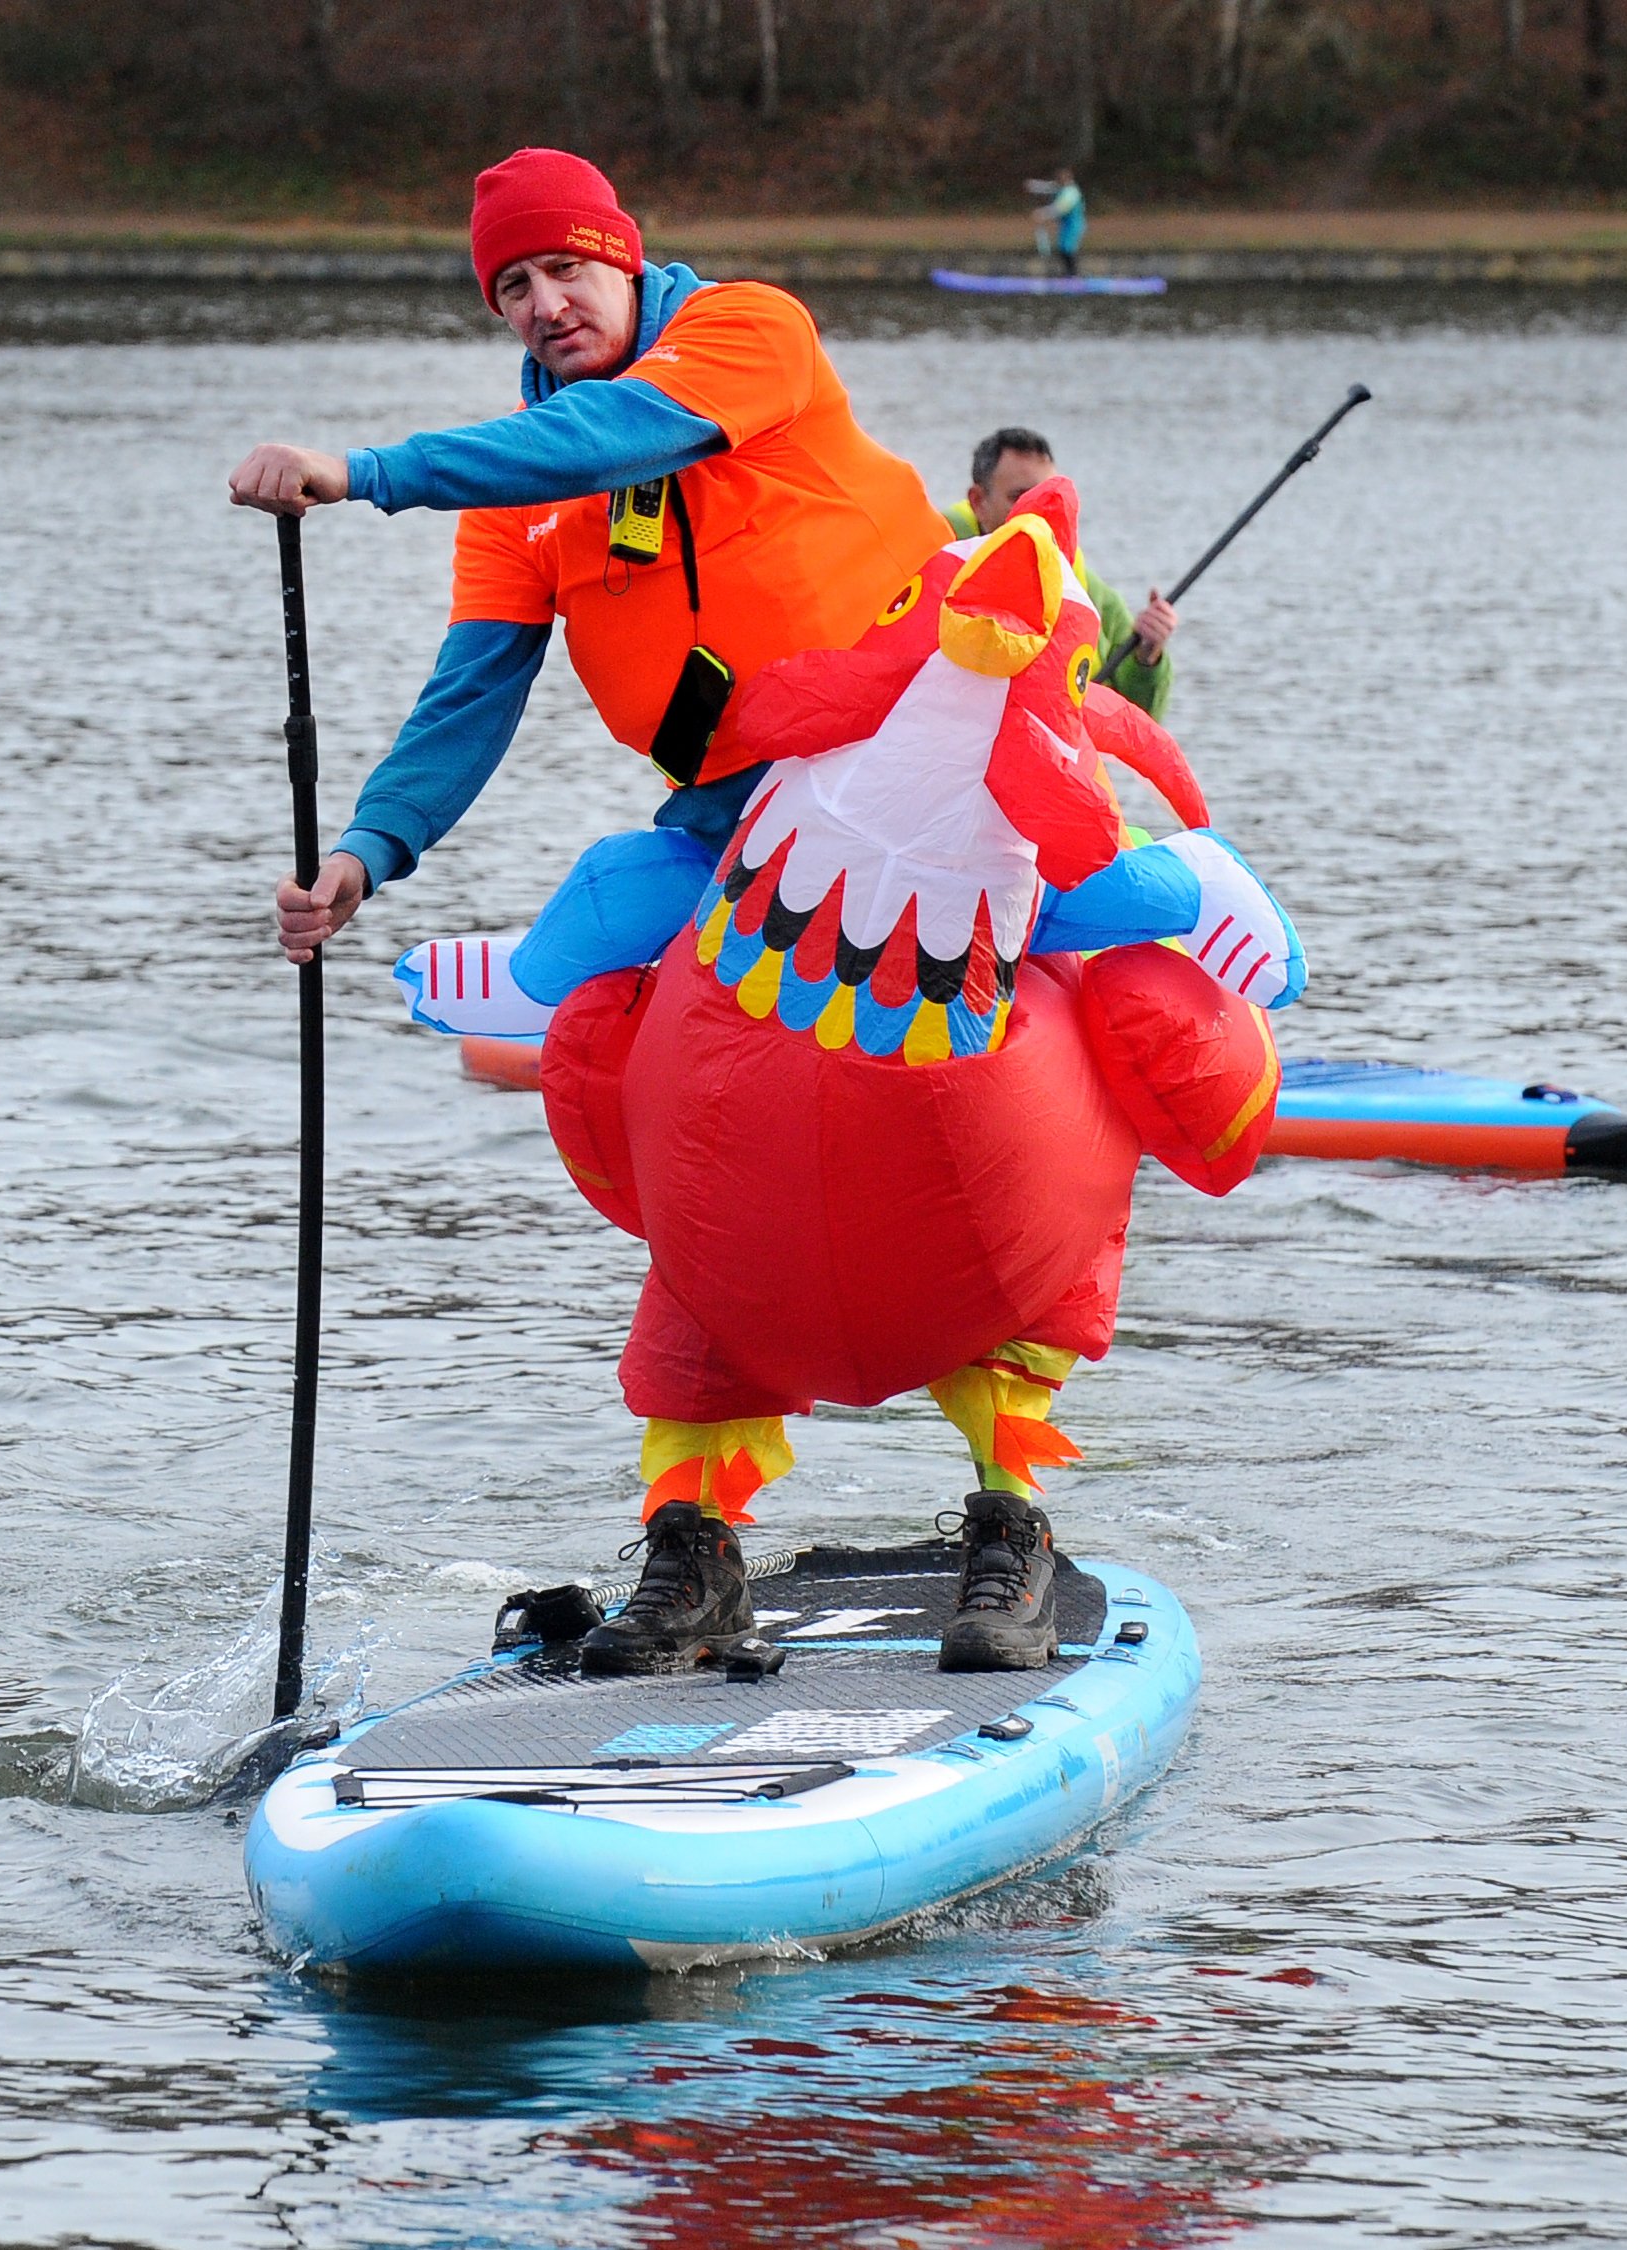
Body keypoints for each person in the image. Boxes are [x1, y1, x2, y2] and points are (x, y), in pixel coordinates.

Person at [223, 149, 1071, 1672]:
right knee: (682, 1125)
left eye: (566, 268)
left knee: (1007, 1086)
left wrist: (364, 473)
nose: (543, 303)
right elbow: (473, 690)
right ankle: (694, 1546)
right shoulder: (520, 494)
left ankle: (1010, 1518)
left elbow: (624, 432)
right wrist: (364, 853)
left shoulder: (749, 332)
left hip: (928, 785)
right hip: (724, 824)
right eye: (511, 286)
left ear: (624, 259)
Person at [945, 427, 1175, 720]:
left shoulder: (1094, 598)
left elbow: (1139, 720)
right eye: (1020, 498)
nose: (1039, 514)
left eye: (1049, 498)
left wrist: (1147, 657)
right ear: (978, 502)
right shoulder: (932, 569)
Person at [1025, 167, 1086, 276]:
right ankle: (1068, 273)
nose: (1058, 182)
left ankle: (1073, 273)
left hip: (1074, 224)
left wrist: (1042, 214)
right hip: (1066, 225)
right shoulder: (1062, 187)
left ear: (1066, 179)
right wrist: (1033, 185)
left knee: (1067, 248)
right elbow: (1048, 187)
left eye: (1059, 179)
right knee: (1062, 247)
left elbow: (1060, 208)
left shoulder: (1071, 193)